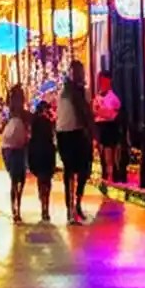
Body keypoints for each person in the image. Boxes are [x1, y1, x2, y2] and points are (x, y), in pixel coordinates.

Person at [56, 60, 95, 224]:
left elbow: (87, 113)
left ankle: (77, 203)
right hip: (65, 134)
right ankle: (70, 208)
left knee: (83, 171)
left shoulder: (84, 92)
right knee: (69, 171)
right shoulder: (63, 92)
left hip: (79, 133)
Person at [0, 85, 31, 224]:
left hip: (16, 147)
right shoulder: (13, 112)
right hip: (12, 147)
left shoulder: (18, 113)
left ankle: (16, 207)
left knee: (18, 179)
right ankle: (16, 209)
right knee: (17, 180)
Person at [28, 100, 58, 222]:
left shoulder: (35, 121)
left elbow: (31, 138)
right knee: (47, 180)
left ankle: (43, 204)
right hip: (46, 152)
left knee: (42, 180)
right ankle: (45, 205)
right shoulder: (46, 122)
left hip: (39, 152)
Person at [92, 69, 122, 183]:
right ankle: (104, 174)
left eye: (104, 80)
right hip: (99, 127)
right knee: (101, 152)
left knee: (109, 153)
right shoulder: (97, 97)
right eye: (100, 80)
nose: (102, 82)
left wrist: (102, 112)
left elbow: (113, 115)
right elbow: (95, 111)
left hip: (109, 128)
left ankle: (112, 175)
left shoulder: (113, 98)